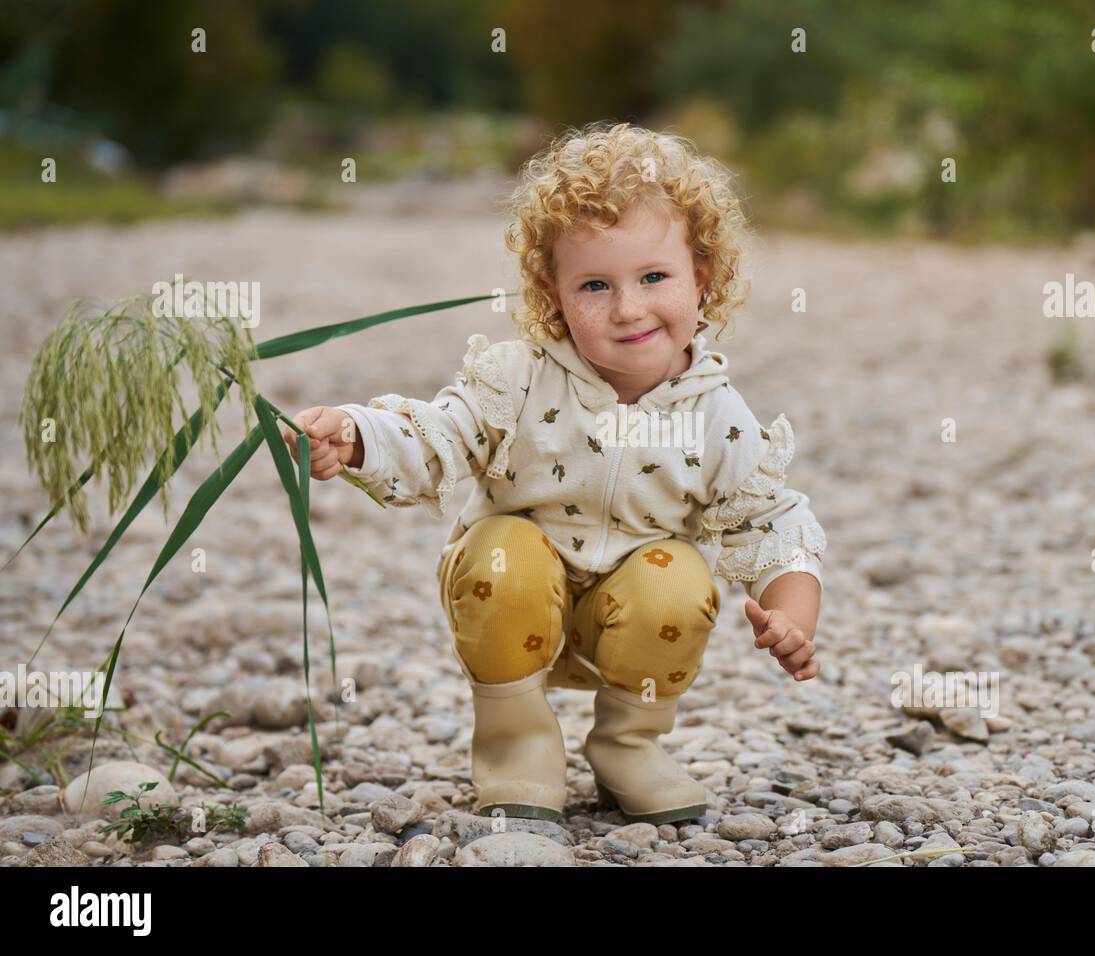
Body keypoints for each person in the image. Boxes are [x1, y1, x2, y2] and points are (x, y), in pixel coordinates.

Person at [283, 122, 826, 826]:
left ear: (705, 275)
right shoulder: (518, 380)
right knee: (501, 549)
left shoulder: (719, 415)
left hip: (631, 624)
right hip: (513, 602)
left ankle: (628, 744)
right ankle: (517, 748)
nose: (628, 309)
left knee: (680, 574)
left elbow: (771, 523)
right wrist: (355, 436)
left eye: (654, 277)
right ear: (553, 291)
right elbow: (436, 436)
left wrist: (791, 616)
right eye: (595, 285)